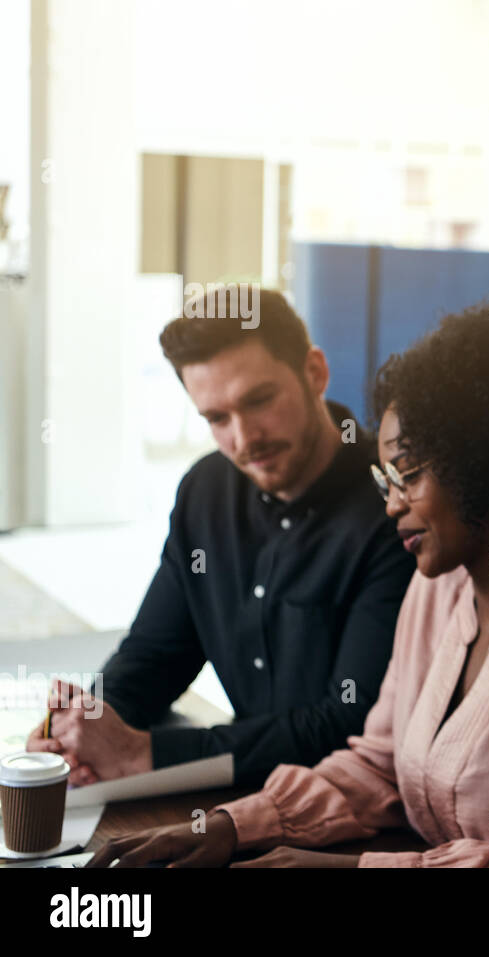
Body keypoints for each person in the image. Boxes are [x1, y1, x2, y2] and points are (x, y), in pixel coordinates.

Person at [88, 305, 489, 868]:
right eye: (385, 477)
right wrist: (229, 826)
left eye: (408, 476)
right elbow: (380, 762)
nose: (391, 503)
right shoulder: (438, 593)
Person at [27, 286, 414, 787]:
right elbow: (155, 655)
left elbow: (348, 726)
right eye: (216, 418)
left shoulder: (393, 507)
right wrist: (83, 726)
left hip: (352, 817)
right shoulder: (204, 491)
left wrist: (147, 754)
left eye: (260, 401)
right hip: (237, 797)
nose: (244, 437)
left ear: (314, 372)